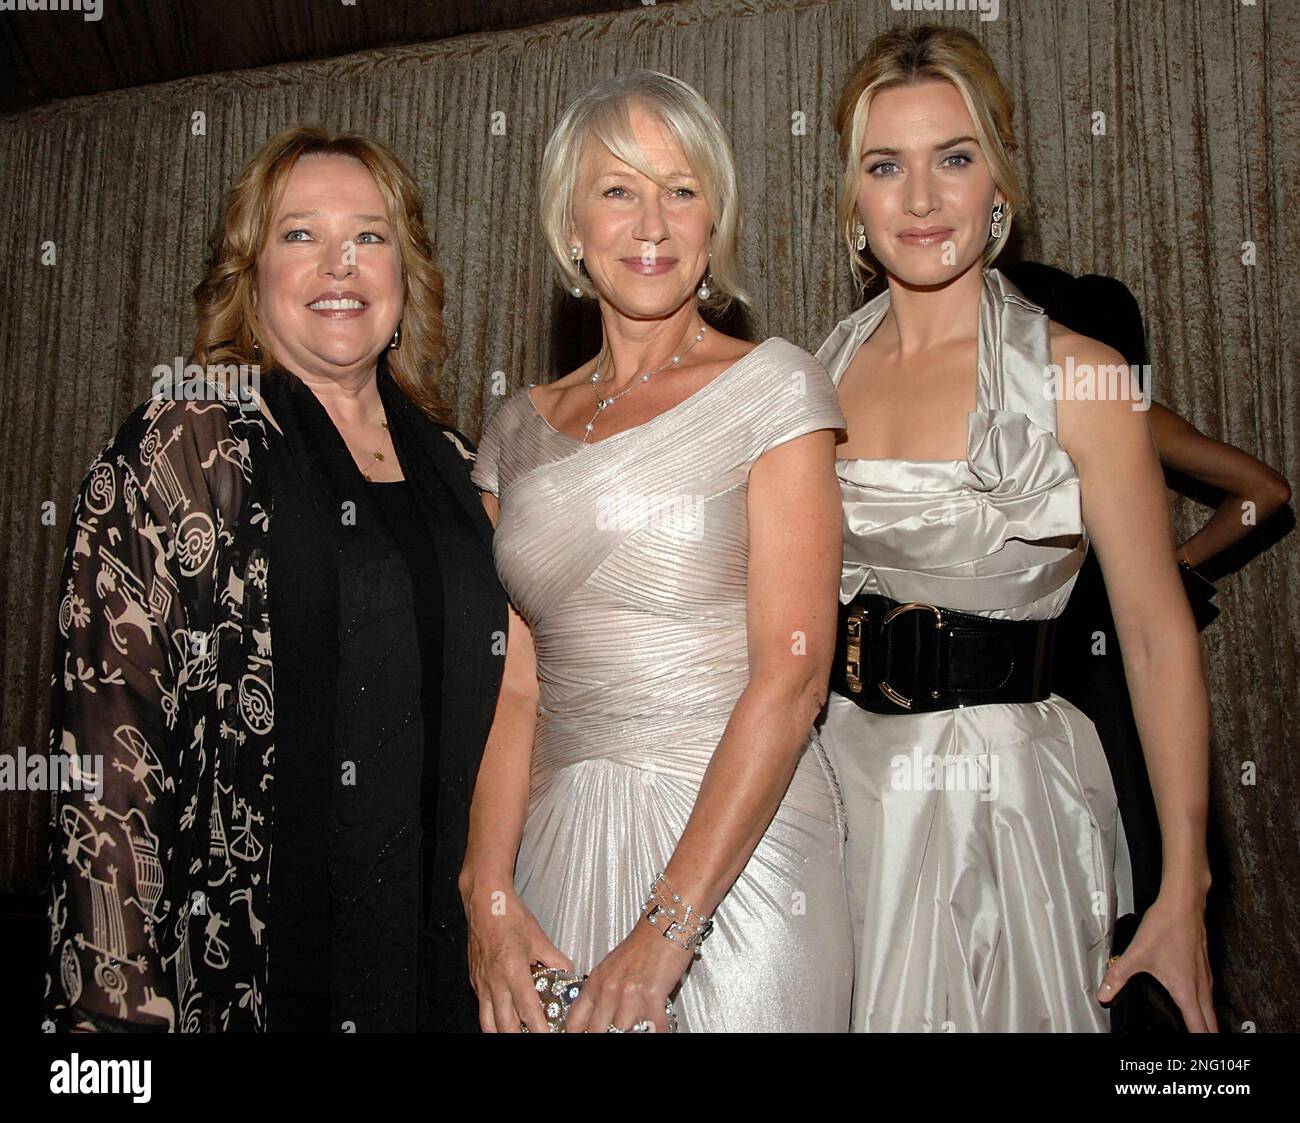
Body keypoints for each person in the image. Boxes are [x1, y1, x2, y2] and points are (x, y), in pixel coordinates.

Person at [42, 126, 506, 1032]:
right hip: (245, 973)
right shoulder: (183, 448)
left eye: (370, 236)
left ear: (405, 276)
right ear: (250, 277)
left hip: (443, 968)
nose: (340, 263)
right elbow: (106, 753)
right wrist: (117, 1008)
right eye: (300, 235)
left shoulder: (460, 466)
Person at [816, 26, 1216, 1032]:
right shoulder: (809, 376)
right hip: (831, 789)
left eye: (952, 158)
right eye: (884, 166)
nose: (919, 199)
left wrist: (1184, 886)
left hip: (1003, 807)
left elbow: (1157, 638)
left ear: (999, 183)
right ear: (852, 199)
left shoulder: (1079, 375)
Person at [458, 70, 853, 1033]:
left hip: (743, 864)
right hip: (557, 850)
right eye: (618, 189)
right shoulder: (515, 430)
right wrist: (488, 895)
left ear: (714, 221)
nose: (653, 222)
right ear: (571, 224)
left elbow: (794, 681)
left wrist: (667, 930)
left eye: (681, 189)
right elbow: (518, 690)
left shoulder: (775, 390)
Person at [1005, 261, 1291, 920]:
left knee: (1094, 841)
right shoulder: (1124, 410)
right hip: (1078, 652)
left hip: (1062, 649)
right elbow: (1264, 492)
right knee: (1120, 830)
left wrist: (1176, 566)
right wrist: (1179, 564)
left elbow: (1268, 493)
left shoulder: (1069, 403)